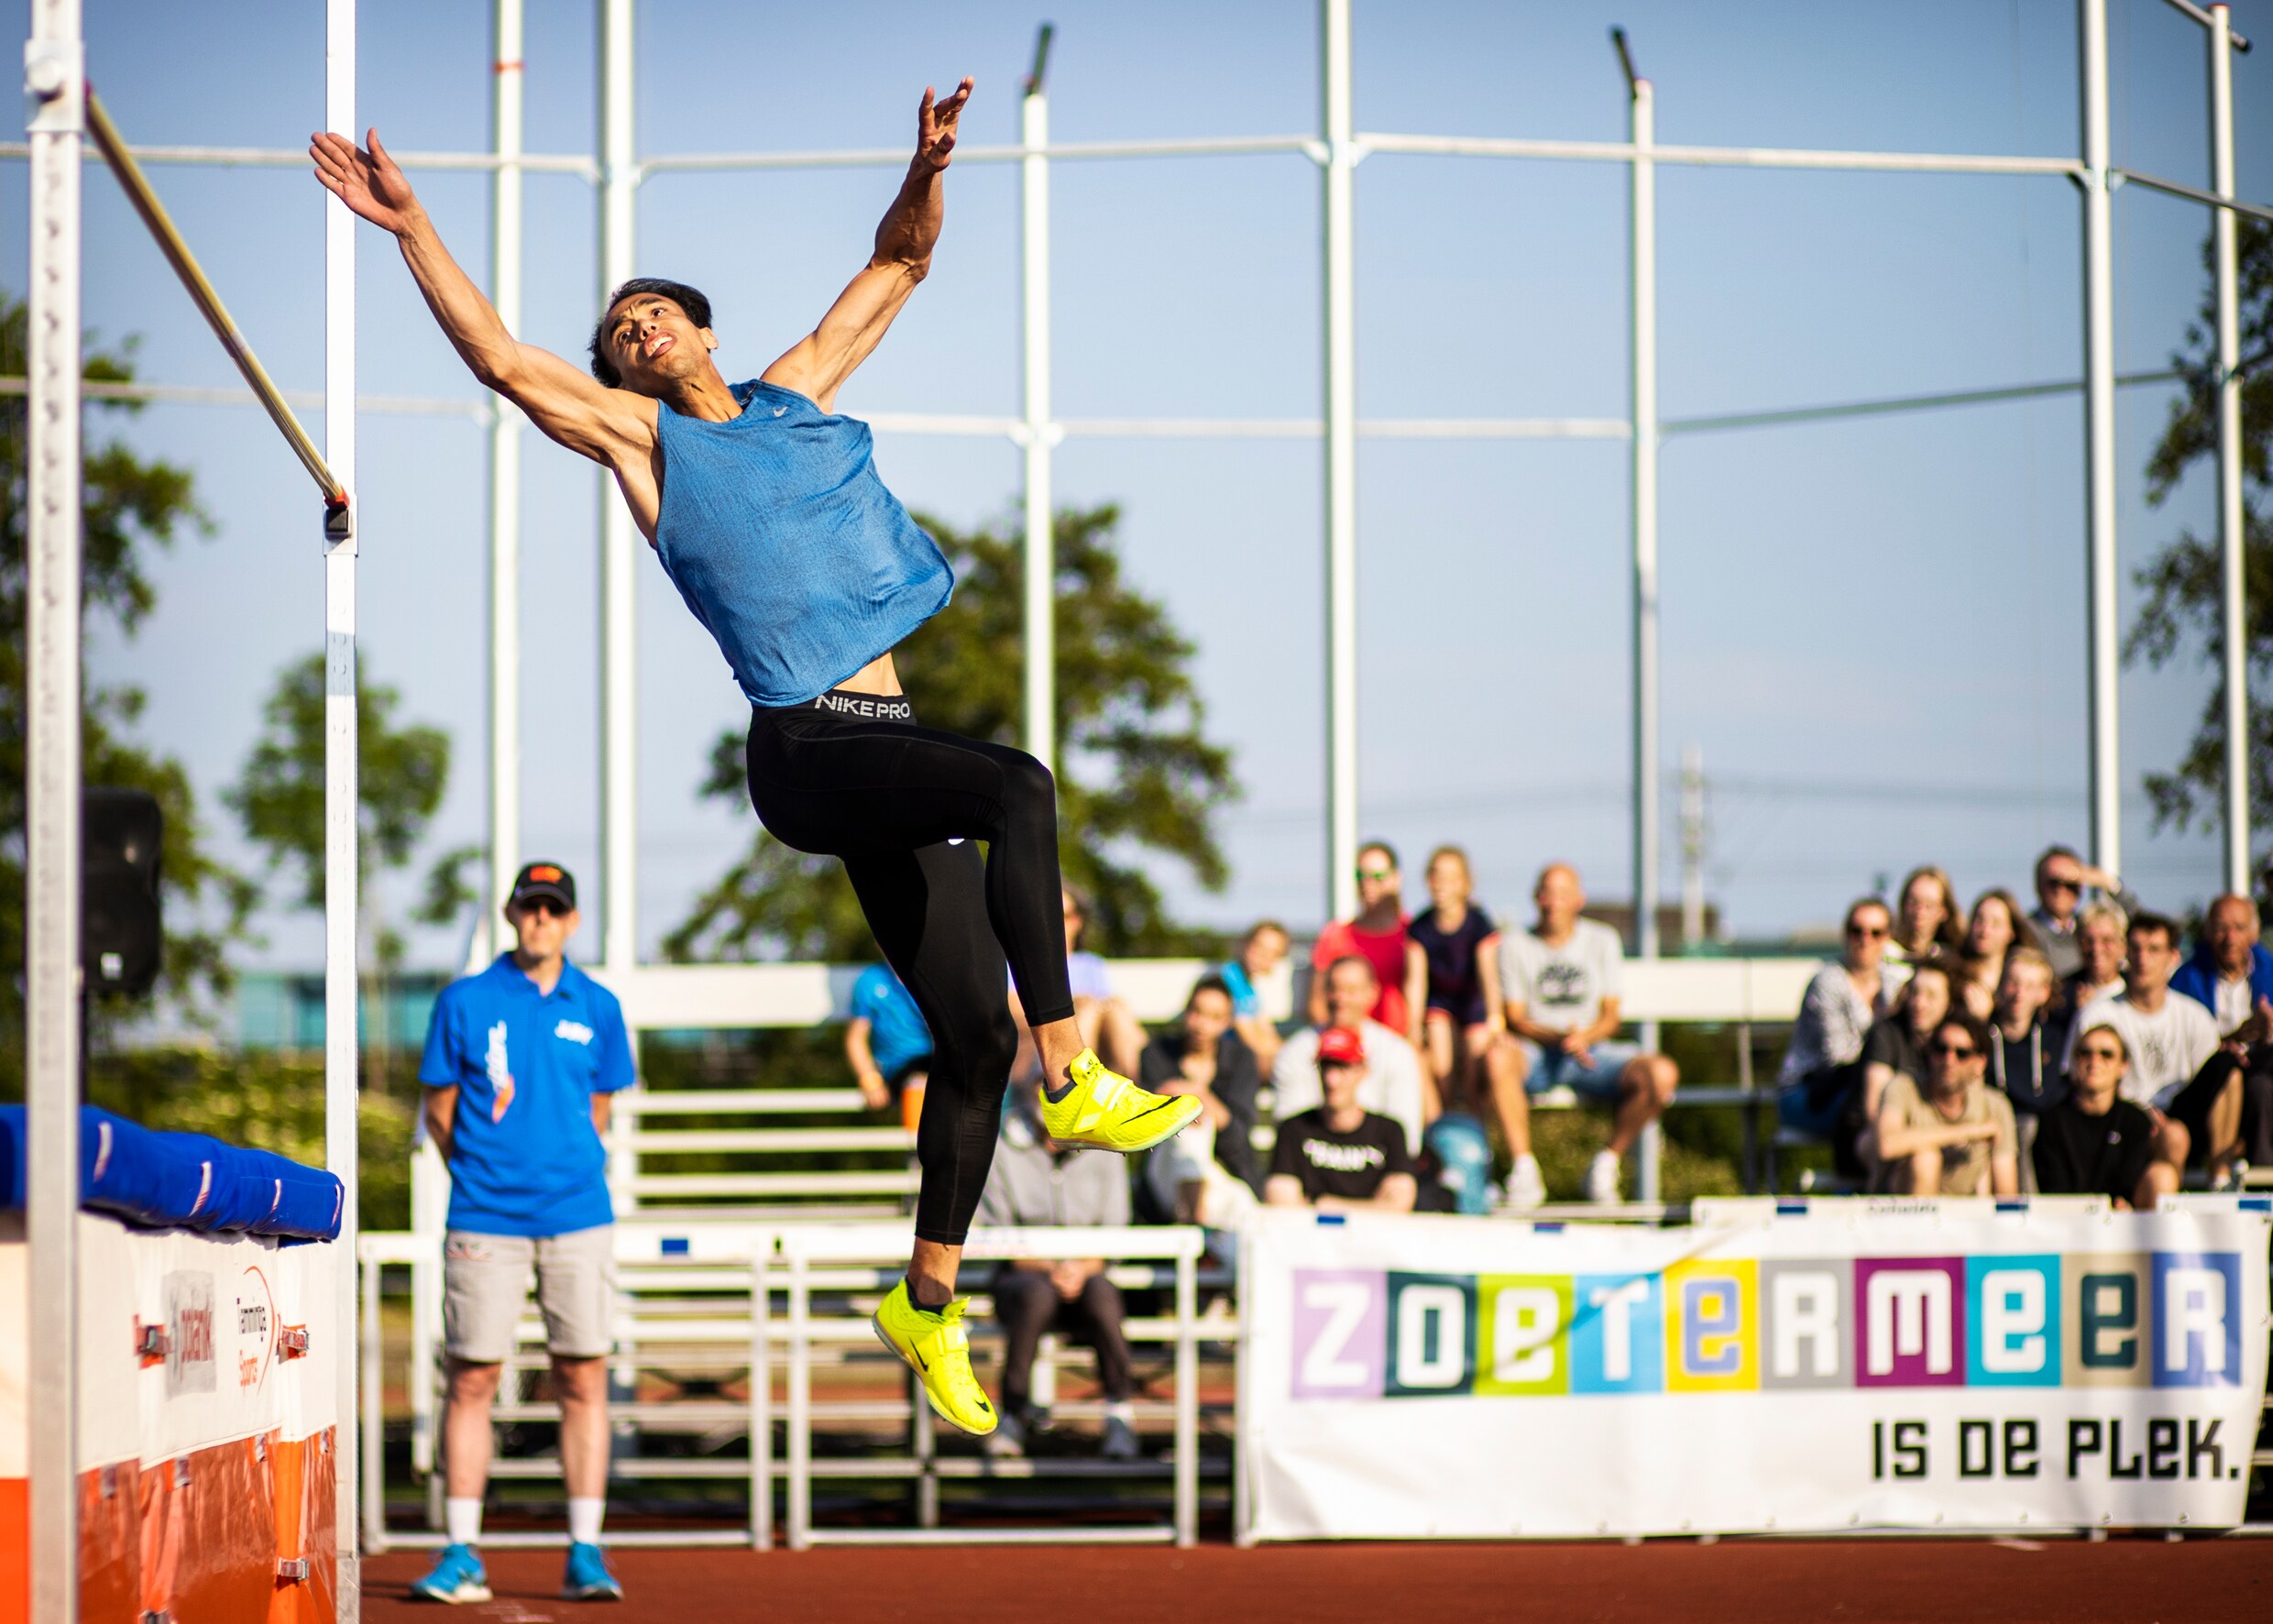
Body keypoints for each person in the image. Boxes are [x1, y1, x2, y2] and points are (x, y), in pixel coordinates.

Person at [312, 82, 1201, 1444]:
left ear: (702, 328)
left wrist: (925, 164)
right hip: (805, 747)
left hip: (885, 748)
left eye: (653, 313)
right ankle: (1075, 1075)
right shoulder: (640, 437)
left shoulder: (796, 395)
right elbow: (498, 355)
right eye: (617, 335)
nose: (637, 332)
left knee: (970, 1043)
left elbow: (899, 261)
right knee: (1020, 783)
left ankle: (928, 1295)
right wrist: (412, 223)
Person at [412, 863, 635, 1604]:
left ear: (571, 921)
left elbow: (600, 1106)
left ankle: (585, 1550)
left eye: (554, 908)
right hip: (485, 1215)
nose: (541, 918)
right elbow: (439, 1111)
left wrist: (558, 1165)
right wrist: (484, 1174)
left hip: (578, 1216)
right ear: (512, 914)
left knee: (583, 1376)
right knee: (472, 1376)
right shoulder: (465, 1000)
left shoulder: (599, 1005)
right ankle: (461, 1551)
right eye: (531, 907)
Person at [972, 1079, 1140, 1462]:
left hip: (1089, 1273)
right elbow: (998, 1232)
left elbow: (1116, 1229)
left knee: (1102, 1297)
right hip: (1022, 1276)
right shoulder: (1001, 1149)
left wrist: (1081, 1269)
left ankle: (1119, 1411)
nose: (1052, 1099)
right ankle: (1013, 1412)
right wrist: (1055, 1267)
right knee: (1036, 1295)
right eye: (1043, 1088)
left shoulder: (1107, 1148)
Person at [1496, 863, 1680, 1205]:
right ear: (1536, 898)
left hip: (1594, 1053)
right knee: (1495, 1060)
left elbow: (1611, 1016)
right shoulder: (1514, 945)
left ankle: (1606, 1165)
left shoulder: (1603, 940)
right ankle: (1524, 1173)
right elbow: (1516, 1017)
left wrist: (1585, 1037)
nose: (1554, 903)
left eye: (1563, 894)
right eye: (1547, 893)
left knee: (1662, 1075)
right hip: (1538, 1053)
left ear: (1579, 899)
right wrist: (1557, 1036)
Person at [2066, 914, 2256, 1182]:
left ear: (2174, 957)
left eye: (2154, 950)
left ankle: (2221, 1178)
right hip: (2119, 1122)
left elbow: (2212, 1083)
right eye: (2136, 949)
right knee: (2172, 1135)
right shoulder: (2097, 1015)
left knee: (2227, 1066)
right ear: (2125, 953)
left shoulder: (2194, 1016)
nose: (2143, 959)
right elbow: (2075, 1078)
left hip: (2184, 1118)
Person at [1272, 956, 1435, 1156]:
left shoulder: (1398, 1053)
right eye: (1334, 989)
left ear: (1372, 994)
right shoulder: (1296, 1052)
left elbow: (1405, 1138)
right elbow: (1291, 1134)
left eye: (1351, 991)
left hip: (1378, 1169)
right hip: (1314, 1171)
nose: (1341, 999)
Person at [1138, 975, 1265, 1227]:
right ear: (1186, 1011)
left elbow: (1237, 1138)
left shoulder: (1242, 1060)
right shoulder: (1157, 1053)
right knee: (1188, 1129)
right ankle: (1195, 1228)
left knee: (1243, 1206)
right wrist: (1206, 1109)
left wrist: (1195, 1096)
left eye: (1214, 1017)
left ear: (1227, 1023)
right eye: (1197, 1012)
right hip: (1166, 1177)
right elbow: (1149, 1122)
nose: (1202, 1025)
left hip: (1222, 1176)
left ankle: (1196, 1231)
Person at [1263, 1026, 1421, 1212]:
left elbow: (1400, 1203)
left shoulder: (1389, 1131)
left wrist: (1325, 1205)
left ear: (1363, 1071)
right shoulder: (1294, 1128)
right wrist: (1372, 1207)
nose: (1332, 1080)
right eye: (1326, 1067)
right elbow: (1280, 1202)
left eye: (1342, 1067)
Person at [1776, 897, 1894, 1141]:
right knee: (1873, 1112)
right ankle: (1862, 1179)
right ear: (1845, 935)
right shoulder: (1828, 982)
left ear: (1887, 938)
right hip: (1810, 1093)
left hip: (1864, 1090)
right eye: (1857, 931)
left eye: (1876, 932)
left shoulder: (1893, 984)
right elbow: (1838, 1058)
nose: (1865, 940)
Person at [2169, 894, 2273, 1167]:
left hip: (2261, 1069)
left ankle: (2264, 1176)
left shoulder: (2270, 971)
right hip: (2207, 1075)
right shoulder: (2186, 978)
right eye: (2221, 928)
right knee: (2229, 1070)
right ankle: (2220, 1170)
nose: (2230, 938)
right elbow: (2179, 1043)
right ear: (2207, 932)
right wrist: (2234, 1037)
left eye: (2239, 928)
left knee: (2262, 1088)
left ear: (2253, 932)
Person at [2033, 1024, 2181, 1210]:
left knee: (2163, 1174)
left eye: (2107, 1054)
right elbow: (2054, 1188)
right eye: (2085, 1053)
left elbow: (2130, 1182)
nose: (2095, 1061)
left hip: (2126, 1219)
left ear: (2123, 1066)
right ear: (2075, 1061)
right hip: (2069, 1218)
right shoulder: (2053, 1120)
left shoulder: (2135, 1120)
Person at [1407, 845, 1508, 1117]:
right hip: (1440, 1005)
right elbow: (1416, 984)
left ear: (1465, 884)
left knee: (1475, 1063)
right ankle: (1444, 1125)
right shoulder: (1420, 928)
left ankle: (1477, 1129)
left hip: (1474, 1005)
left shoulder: (1479, 924)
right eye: (1435, 876)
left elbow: (1489, 978)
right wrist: (1413, 1029)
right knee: (1440, 1067)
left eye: (1450, 878)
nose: (1440, 884)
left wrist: (1496, 1021)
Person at [1872, 1011, 2019, 1197]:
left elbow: (2007, 1193)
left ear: (1980, 1063)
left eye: (1962, 1054)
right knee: (1925, 1159)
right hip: (1898, 1213)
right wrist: (1970, 1131)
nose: (1949, 1061)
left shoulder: (1994, 1106)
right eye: (1941, 1049)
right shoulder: (1903, 1087)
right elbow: (1887, 1144)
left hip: (1966, 1217)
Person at [1852, 959, 1956, 1180]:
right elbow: (1874, 1112)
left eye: (1931, 995)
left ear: (1949, 1002)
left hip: (1937, 1136)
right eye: (1915, 992)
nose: (1919, 1003)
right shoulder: (1887, 1032)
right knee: (1924, 1159)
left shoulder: (1956, 1041)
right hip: (1879, 1136)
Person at [1308, 840, 1423, 1037]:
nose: (1368, 884)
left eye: (1378, 877)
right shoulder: (1335, 935)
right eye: (1361, 876)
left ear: (1396, 879)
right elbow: (1316, 1003)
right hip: (1346, 1046)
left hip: (1401, 1044)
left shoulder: (1416, 935)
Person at [1986, 948, 2061, 1190]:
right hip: (1991, 1127)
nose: (2019, 994)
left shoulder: (2053, 1040)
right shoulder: (1981, 1037)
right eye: (2013, 983)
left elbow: (2050, 1097)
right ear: (2000, 985)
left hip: (2036, 1135)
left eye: (2029, 986)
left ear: (2043, 993)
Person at [2027, 844, 2140, 982]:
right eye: (2053, 883)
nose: (2061, 890)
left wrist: (2110, 884)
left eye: (2070, 884)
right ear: (2038, 885)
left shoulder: (2088, 927)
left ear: (2081, 887)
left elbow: (2143, 927)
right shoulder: (2025, 929)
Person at [846, 960, 931, 1123]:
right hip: (898, 1066)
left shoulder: (934, 974)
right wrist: (869, 1077)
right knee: (920, 1086)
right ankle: (919, 1146)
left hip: (940, 1057)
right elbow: (856, 1038)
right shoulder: (870, 980)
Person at [1217, 919, 1290, 1078]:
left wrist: (1286, 1051)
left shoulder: (1250, 986)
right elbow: (1249, 1038)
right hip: (1226, 1060)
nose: (1263, 956)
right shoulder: (1231, 979)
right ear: (1246, 943)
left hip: (1243, 1059)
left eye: (1273, 953)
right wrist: (1287, 1055)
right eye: (1259, 946)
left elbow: (1265, 1028)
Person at [1956, 887, 2039, 1021]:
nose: (1985, 931)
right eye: (1980, 920)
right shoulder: (1954, 974)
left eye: (1996, 924)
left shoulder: (2025, 977)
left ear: (2011, 932)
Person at [1887, 865, 1964, 971]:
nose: (1920, 911)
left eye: (1929, 905)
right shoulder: (1883, 949)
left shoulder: (1953, 961)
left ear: (1944, 911)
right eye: (1913, 903)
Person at [2063, 900, 2130, 1014]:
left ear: (2122, 945)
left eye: (2106, 940)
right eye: (2088, 941)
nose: (2096, 949)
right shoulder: (2063, 994)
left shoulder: (2136, 989)